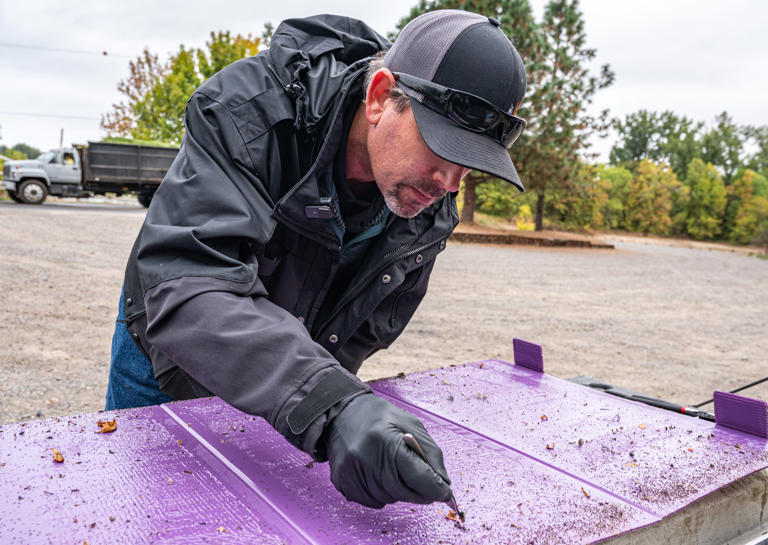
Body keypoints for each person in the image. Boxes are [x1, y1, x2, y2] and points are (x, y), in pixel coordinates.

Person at [105, 9, 527, 509]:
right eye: (443, 148)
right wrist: (330, 402)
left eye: (470, 165)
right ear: (380, 97)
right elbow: (192, 282)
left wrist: (330, 405)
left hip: (290, 381)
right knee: (147, 510)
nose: (450, 184)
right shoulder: (249, 112)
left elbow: (365, 325)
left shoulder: (428, 199)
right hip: (167, 353)